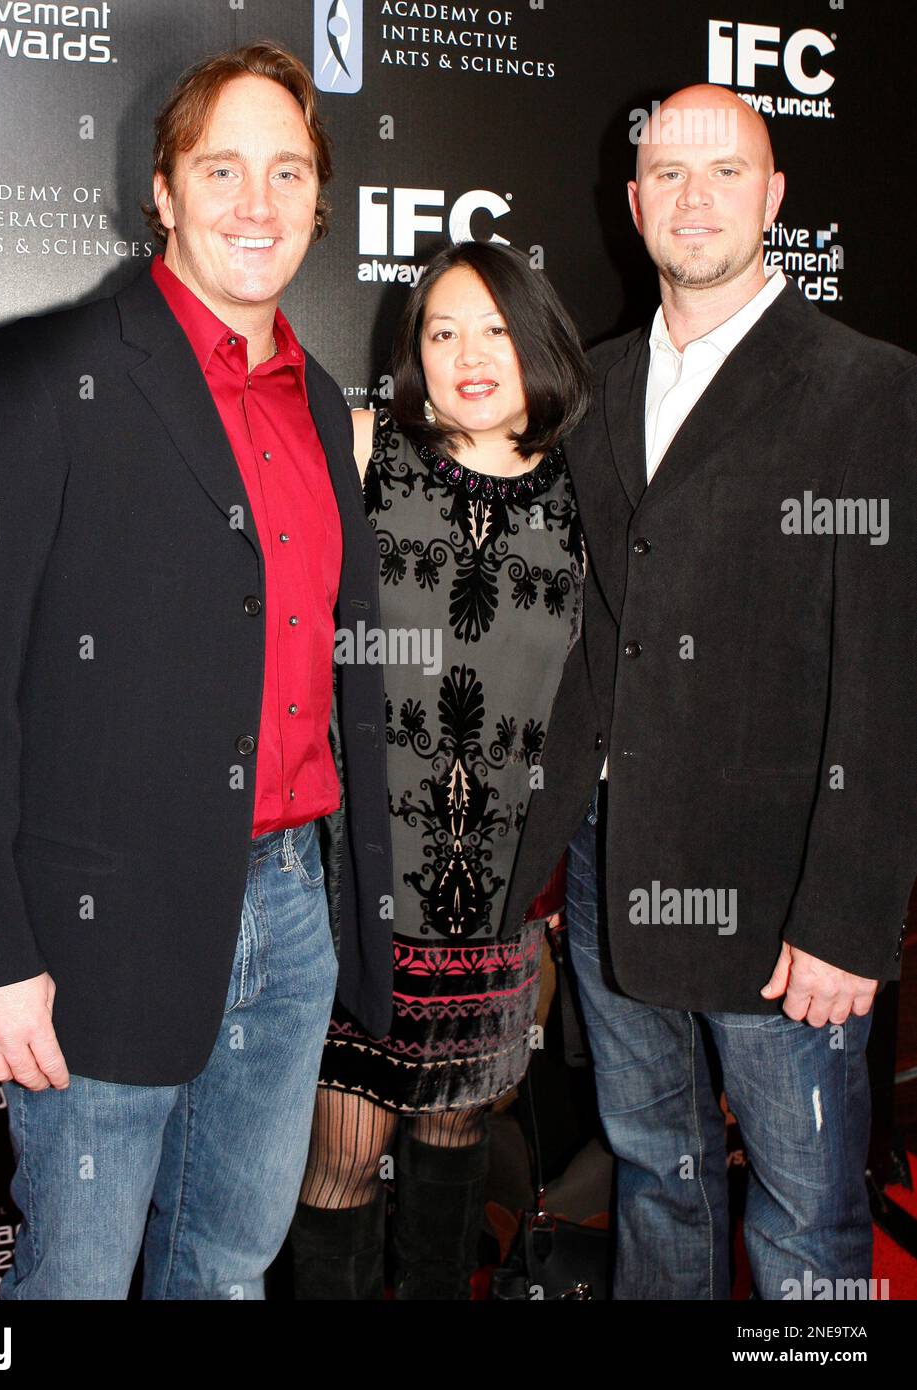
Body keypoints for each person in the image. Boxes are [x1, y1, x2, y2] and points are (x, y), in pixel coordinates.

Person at [0, 42, 394, 1300]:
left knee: (225, 1265)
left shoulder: (325, 408)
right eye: (221, 167)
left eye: (287, 173)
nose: (256, 203)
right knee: (76, 1276)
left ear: (320, 205)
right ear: (161, 191)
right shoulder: (32, 377)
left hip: (289, 906)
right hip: (97, 927)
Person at [537, 84, 917, 1298]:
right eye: (669, 174)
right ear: (634, 200)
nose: (694, 198)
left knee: (807, 1218)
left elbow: (889, 669)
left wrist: (850, 915)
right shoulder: (588, 390)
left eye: (726, 172)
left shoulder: (865, 387)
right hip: (611, 872)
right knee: (658, 1174)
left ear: (774, 196)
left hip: (781, 899)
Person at [289, 240, 594, 1299]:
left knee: (456, 1132)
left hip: (497, 898)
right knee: (340, 1159)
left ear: (538, 340)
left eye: (496, 330)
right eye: (442, 331)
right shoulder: (366, 450)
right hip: (360, 893)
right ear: (412, 353)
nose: (469, 355)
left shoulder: (587, 493)